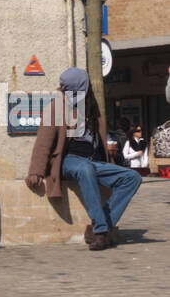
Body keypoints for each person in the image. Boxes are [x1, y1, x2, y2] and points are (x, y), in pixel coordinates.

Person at [26, 67, 141, 250]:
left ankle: (97, 227)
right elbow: (43, 143)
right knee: (84, 168)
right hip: (68, 161)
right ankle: (102, 232)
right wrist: (36, 171)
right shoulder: (56, 107)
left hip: (92, 161)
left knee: (132, 178)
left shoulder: (91, 107)